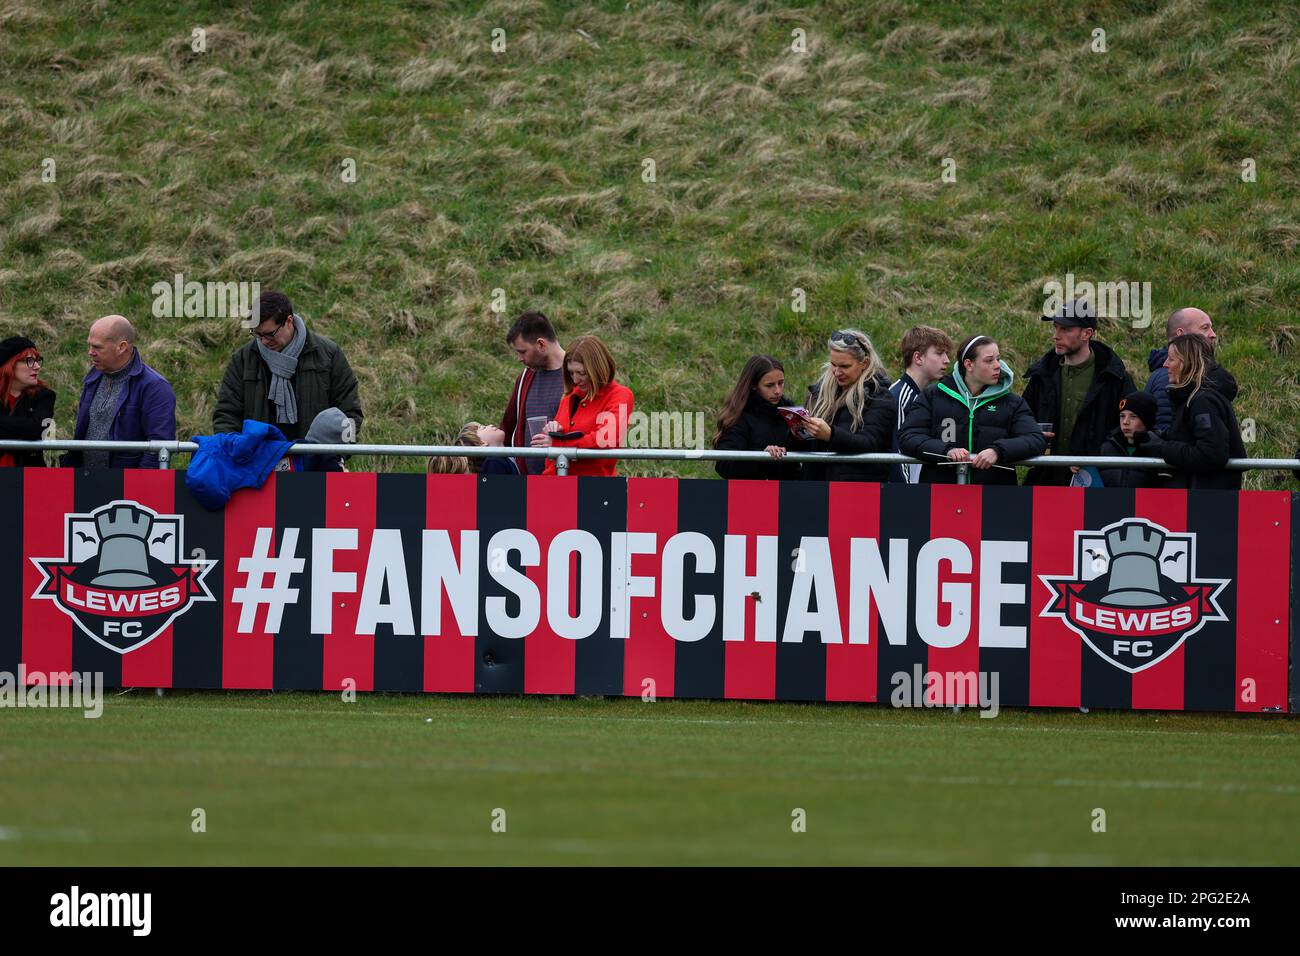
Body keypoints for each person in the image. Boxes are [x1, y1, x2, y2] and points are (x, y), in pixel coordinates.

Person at [213, 291, 363, 442]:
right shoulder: (243, 360)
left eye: (270, 334)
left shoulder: (328, 355)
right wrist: (236, 452)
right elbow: (226, 415)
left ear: (289, 321)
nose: (264, 341)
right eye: (257, 335)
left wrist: (336, 456)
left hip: (316, 461)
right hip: (258, 461)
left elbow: (349, 413)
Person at [898, 334, 1046, 485]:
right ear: (969, 365)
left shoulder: (1013, 402)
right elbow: (908, 437)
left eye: (998, 359)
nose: (997, 366)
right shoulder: (933, 396)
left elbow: (1035, 440)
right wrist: (946, 451)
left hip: (995, 498)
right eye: (989, 360)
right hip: (940, 495)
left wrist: (998, 451)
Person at [1022, 298, 1136, 485]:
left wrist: (1092, 459)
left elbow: (1129, 428)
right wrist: (1031, 436)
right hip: (1045, 480)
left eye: (1066, 329)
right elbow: (1022, 419)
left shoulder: (1115, 379)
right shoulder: (1041, 376)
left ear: (1087, 333)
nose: (1056, 336)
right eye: (1056, 328)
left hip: (1098, 483)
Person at [62, 315, 176, 470]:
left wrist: (138, 486)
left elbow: (160, 446)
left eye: (97, 347)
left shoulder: (155, 387)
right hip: (85, 481)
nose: (90, 352)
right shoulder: (93, 377)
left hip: (126, 488)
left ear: (122, 347)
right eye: (89, 346)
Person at [1133, 334, 1245, 489]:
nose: (1165, 364)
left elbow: (1211, 454)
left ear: (1187, 363)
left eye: (1171, 359)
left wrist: (1161, 447)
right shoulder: (1192, 399)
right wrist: (1158, 438)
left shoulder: (1202, 401)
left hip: (1204, 501)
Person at [795, 329, 896, 482]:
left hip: (857, 491)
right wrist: (795, 432)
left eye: (844, 366)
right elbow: (805, 448)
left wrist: (830, 435)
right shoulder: (818, 393)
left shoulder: (880, 397)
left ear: (864, 363)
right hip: (814, 487)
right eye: (833, 364)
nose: (836, 372)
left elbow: (870, 443)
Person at [538, 335, 634, 477]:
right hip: (554, 481)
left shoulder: (619, 395)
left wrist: (559, 445)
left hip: (592, 487)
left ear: (597, 369)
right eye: (571, 373)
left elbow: (605, 438)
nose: (575, 380)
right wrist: (553, 430)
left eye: (581, 373)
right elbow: (554, 447)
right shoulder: (569, 397)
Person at [713, 355, 806, 480]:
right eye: (769, 385)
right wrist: (761, 455)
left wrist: (806, 435)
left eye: (781, 383)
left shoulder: (791, 412)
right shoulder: (739, 416)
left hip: (789, 493)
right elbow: (725, 465)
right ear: (753, 385)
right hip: (751, 494)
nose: (777, 391)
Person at [500, 311, 565, 475]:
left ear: (541, 345)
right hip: (526, 485)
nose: (519, 358)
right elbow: (507, 429)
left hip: (569, 481)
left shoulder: (578, 377)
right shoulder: (524, 378)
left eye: (522, 352)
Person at [888, 325, 953, 482]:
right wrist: (908, 495)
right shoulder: (901, 396)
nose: (947, 360)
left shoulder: (924, 395)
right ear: (918, 358)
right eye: (939, 353)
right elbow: (899, 454)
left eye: (946, 353)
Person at [1145, 307, 1225, 433]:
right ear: (1181, 335)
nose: (1213, 334)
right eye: (1205, 328)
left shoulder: (1190, 375)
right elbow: (1164, 434)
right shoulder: (1169, 377)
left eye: (1211, 327)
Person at [0, 336, 56, 468]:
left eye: (37, 361)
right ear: (10, 365)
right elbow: (29, 428)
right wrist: (23, 429)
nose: (37, 366)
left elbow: (37, 429)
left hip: (30, 478)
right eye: (29, 361)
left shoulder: (44, 396)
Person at [1097, 392, 1163, 488]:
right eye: (1122, 416)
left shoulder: (1159, 450)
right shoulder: (1106, 448)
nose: (1125, 422)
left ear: (1146, 420)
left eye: (1133, 416)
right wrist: (1080, 467)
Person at [429, 422, 521, 476]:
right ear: (481, 444)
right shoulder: (494, 462)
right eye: (484, 428)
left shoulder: (505, 458)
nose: (490, 425)